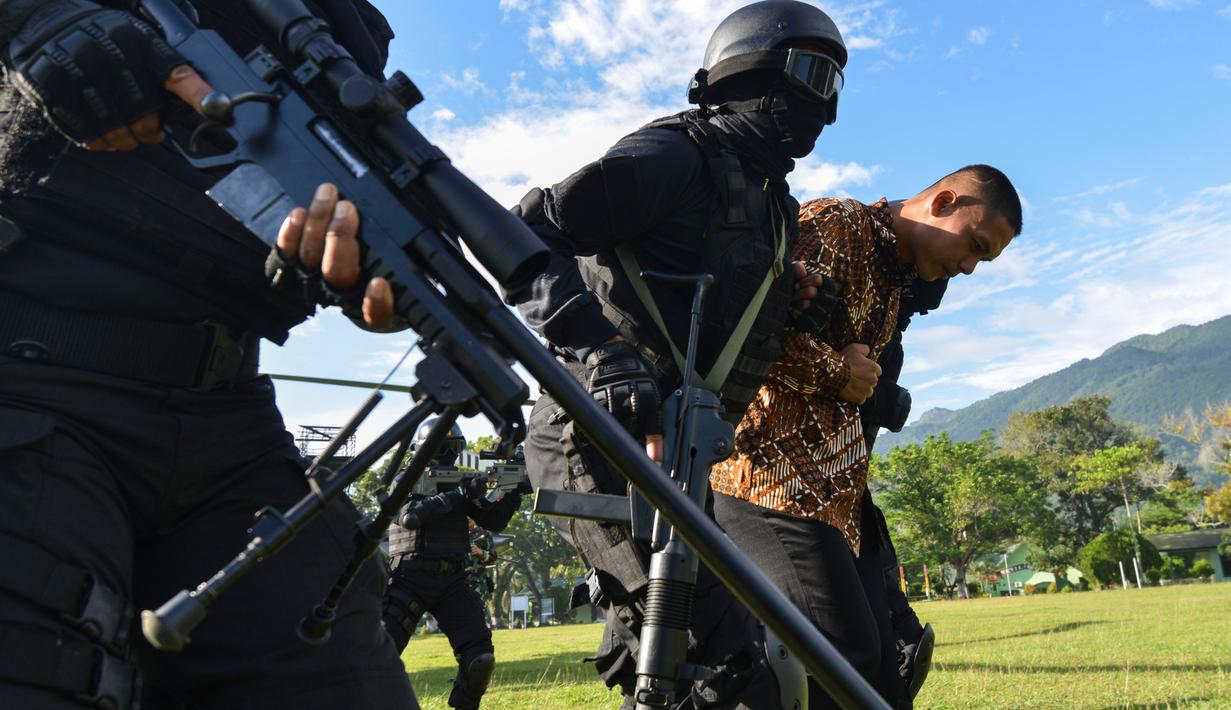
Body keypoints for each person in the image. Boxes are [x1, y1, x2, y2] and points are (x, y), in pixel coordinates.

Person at [0, 1, 416, 708]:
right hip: (29, 377)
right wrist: (37, 18)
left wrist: (359, 270)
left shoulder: (348, 29)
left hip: (229, 424)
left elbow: (323, 197)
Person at [506, 1, 848, 705]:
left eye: (837, 83)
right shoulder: (673, 155)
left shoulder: (772, 206)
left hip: (677, 456)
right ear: (749, 70)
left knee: (660, 661)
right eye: (814, 74)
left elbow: (713, 311)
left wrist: (796, 299)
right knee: (729, 669)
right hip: (595, 438)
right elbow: (527, 234)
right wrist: (599, 351)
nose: (825, 102)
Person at [710, 164, 1023, 708]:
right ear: (944, 201)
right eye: (974, 245)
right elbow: (744, 328)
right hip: (767, 482)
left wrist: (857, 375)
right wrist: (841, 372)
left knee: (879, 668)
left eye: (983, 260)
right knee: (839, 658)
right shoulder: (838, 224)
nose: (969, 267)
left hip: (831, 501)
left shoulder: (896, 277)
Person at [383, 422, 523, 710]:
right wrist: (460, 493)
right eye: (441, 448)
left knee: (480, 660)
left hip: (453, 580)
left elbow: (493, 520)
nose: (448, 455)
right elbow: (410, 517)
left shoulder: (461, 483)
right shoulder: (404, 479)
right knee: (376, 658)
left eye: (453, 449)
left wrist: (514, 487)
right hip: (409, 576)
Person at [465, 518, 499, 618]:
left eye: (470, 516)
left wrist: (481, 553)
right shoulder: (453, 535)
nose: (467, 518)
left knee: (477, 618)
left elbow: (493, 558)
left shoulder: (483, 535)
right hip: (457, 583)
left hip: (477, 584)